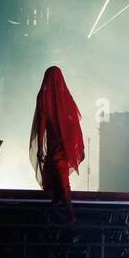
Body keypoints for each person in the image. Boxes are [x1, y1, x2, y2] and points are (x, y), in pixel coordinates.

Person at [29, 66, 85, 222]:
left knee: (58, 175)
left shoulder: (44, 96)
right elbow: (75, 123)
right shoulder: (65, 96)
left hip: (56, 143)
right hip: (65, 143)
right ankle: (64, 210)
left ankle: (69, 213)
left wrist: (40, 147)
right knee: (59, 175)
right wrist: (79, 146)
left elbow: (42, 123)